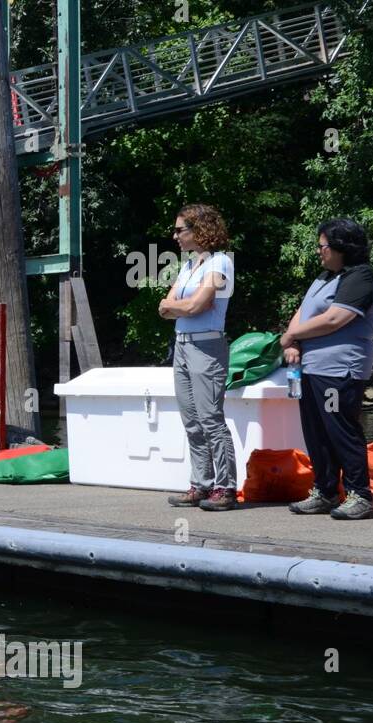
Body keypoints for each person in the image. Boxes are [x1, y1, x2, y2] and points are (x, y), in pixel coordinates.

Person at [281, 218, 373, 520]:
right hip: (311, 369)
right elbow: (302, 313)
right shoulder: (325, 276)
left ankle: (359, 494)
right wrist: (292, 342)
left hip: (338, 371)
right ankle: (324, 491)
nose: (318, 251)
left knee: (340, 429)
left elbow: (334, 319)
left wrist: (293, 336)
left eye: (323, 245)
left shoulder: (360, 277)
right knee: (316, 431)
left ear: (342, 247)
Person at [159, 203, 238, 511]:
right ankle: (201, 484)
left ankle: (226, 487)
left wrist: (179, 305)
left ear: (199, 230)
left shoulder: (220, 264)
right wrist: (181, 305)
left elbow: (197, 306)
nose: (175, 235)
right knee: (191, 421)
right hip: (182, 345)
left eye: (180, 229)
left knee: (210, 419)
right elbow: (168, 303)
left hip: (207, 346)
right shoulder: (191, 265)